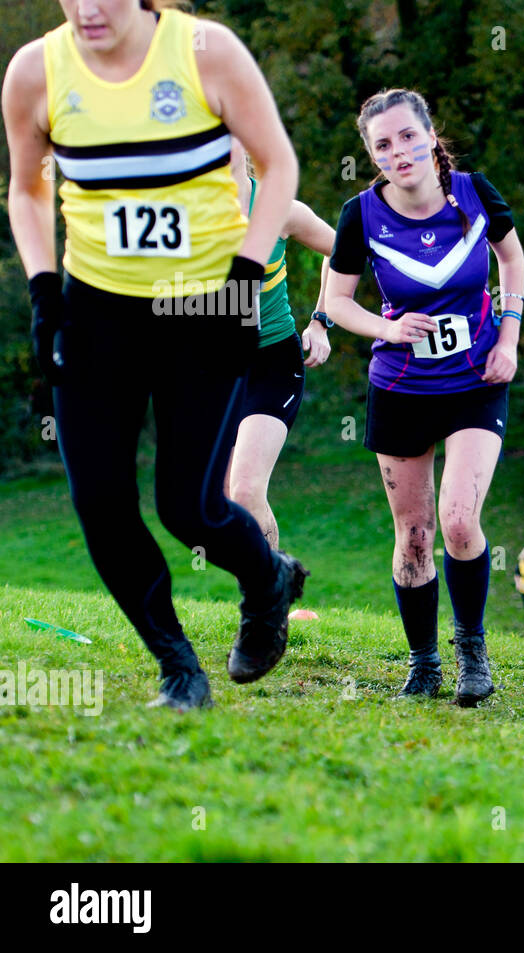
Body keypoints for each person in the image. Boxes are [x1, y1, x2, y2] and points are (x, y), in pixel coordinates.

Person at [3, 0, 309, 711]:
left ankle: (267, 581)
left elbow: (280, 167)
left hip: (200, 309)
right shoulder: (35, 72)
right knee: (100, 505)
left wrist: (243, 275)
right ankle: (177, 664)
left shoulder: (206, 52)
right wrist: (45, 289)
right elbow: (26, 187)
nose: (88, 8)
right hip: (97, 313)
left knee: (190, 508)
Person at [325, 88, 524, 706]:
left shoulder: (475, 193)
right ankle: (424, 661)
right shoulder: (359, 215)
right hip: (402, 387)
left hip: (474, 381)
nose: (399, 152)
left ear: (430, 134)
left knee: (459, 523)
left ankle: (471, 652)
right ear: (371, 154)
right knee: (412, 536)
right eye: (383, 145)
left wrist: (509, 338)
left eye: (408, 137)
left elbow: (512, 260)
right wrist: (386, 328)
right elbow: (334, 302)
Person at [223, 137, 335, 549]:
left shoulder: (279, 208)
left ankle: (270, 603)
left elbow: (342, 252)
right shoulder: (185, 217)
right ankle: (259, 592)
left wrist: (322, 319)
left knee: (246, 490)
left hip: (272, 362)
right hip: (215, 370)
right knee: (215, 504)